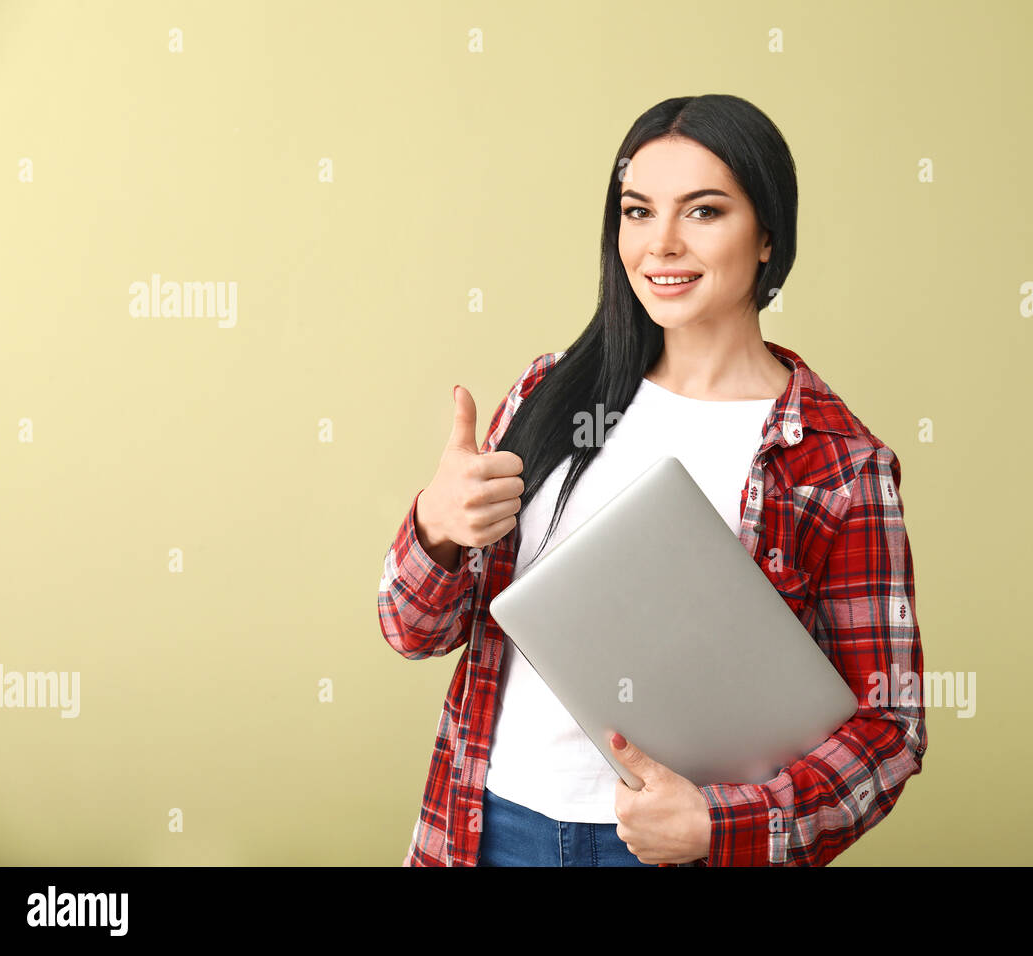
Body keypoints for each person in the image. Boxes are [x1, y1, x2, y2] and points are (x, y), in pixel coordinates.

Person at [378, 94, 927, 867]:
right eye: (637, 211)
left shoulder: (838, 465)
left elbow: (890, 731)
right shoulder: (549, 396)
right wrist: (434, 528)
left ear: (767, 235)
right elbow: (411, 631)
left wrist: (719, 825)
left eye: (703, 212)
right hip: (486, 827)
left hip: (673, 852)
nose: (661, 244)